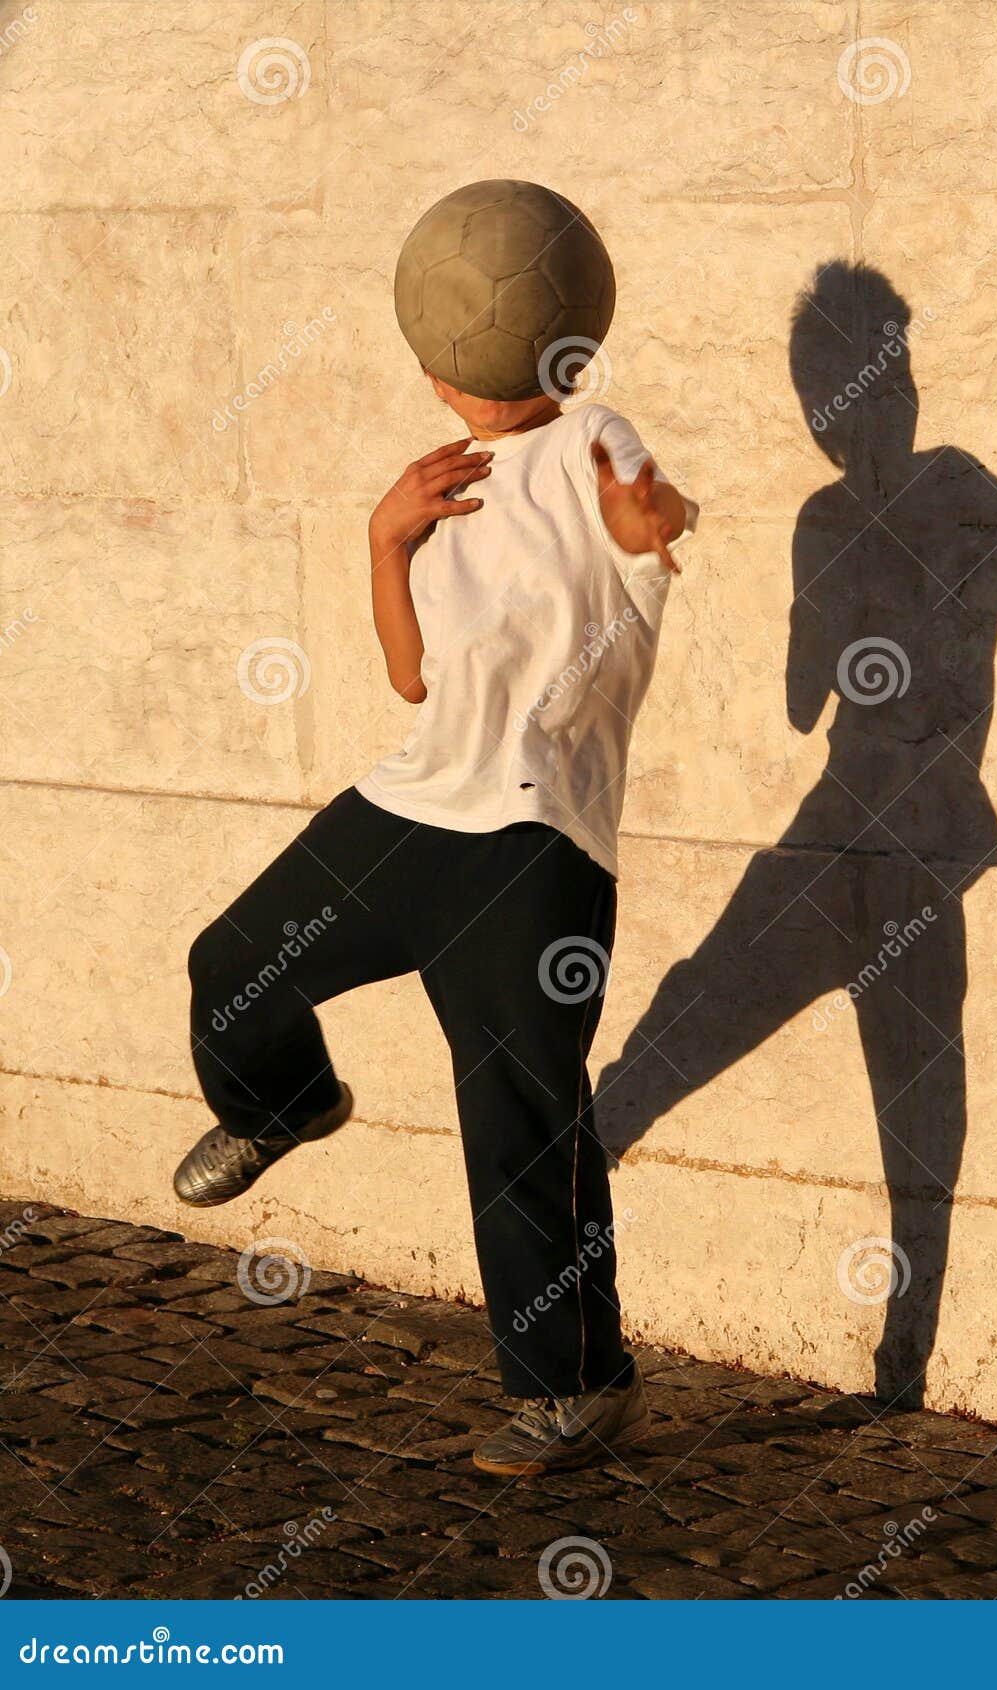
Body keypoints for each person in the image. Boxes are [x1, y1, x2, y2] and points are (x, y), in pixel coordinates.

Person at [174, 362, 696, 1476]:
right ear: (428, 360)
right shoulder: (442, 482)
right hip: (408, 811)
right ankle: (287, 1104)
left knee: (520, 1119)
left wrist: (652, 516)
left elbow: (655, 514)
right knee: (233, 965)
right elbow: (410, 680)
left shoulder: (592, 434)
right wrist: (385, 540)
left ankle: (578, 1386)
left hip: (533, 840)